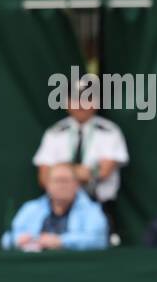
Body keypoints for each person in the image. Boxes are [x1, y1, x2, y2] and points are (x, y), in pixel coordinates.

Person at [32, 88, 129, 238]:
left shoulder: (110, 132)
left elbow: (102, 173)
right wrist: (85, 171)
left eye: (87, 99)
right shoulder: (54, 132)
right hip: (59, 210)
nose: (81, 104)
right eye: (76, 99)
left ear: (96, 103)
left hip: (98, 204)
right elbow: (44, 178)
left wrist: (60, 172)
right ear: (67, 103)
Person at [1, 162, 108, 251]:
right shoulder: (31, 208)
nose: (61, 186)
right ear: (47, 185)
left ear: (76, 185)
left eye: (65, 181)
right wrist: (19, 240)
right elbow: (7, 239)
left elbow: (98, 241)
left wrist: (60, 241)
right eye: (57, 181)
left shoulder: (91, 210)